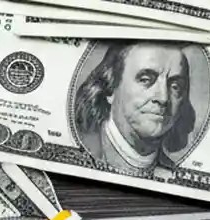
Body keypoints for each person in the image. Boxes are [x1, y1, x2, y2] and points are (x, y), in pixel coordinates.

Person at [73, 42, 196, 175]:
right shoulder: (80, 149)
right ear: (110, 88)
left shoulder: (174, 174)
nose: (163, 98)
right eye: (146, 80)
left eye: (175, 86)